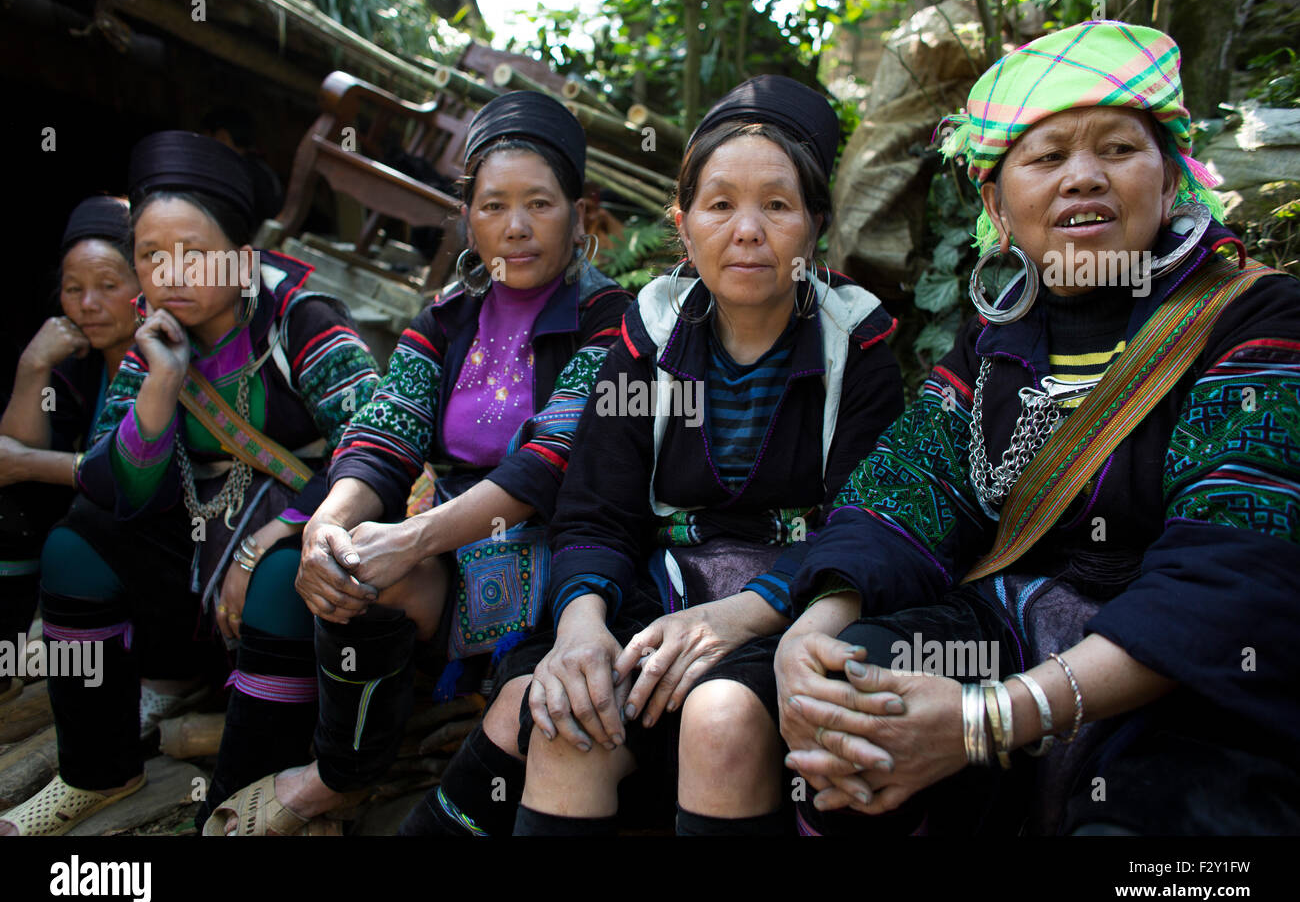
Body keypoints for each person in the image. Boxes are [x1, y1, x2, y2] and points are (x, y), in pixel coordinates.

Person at [764, 20, 1300, 835]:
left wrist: (988, 719)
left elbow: (1234, 574)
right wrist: (820, 618)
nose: (1083, 178)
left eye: (1118, 149)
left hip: (1185, 682)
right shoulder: (997, 336)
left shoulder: (1259, 318)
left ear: (1170, 179)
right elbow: (910, 487)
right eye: (1047, 159)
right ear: (997, 205)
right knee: (856, 696)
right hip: (1017, 630)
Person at [400, 75, 907, 837]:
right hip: (659, 594)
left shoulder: (857, 343)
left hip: (794, 601)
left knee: (721, 717)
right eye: (719, 204)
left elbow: (864, 523)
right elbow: (596, 507)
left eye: (777, 205)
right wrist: (580, 625)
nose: (747, 230)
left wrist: (743, 615)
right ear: (683, 223)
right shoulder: (651, 333)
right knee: (566, 708)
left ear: (815, 229)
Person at [204, 91, 634, 835]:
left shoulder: (610, 320)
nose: (518, 227)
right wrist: (329, 526)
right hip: (448, 542)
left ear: (579, 214)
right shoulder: (447, 313)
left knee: (388, 565)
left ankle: (354, 772)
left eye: (540, 203)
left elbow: (548, 462)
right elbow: (384, 434)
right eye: (495, 205)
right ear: (468, 216)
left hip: (565, 558)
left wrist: (410, 538)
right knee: (326, 568)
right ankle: (303, 774)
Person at [0, 131, 381, 836]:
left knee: (279, 574)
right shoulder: (154, 334)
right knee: (75, 544)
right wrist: (161, 387)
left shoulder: (303, 321)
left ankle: (236, 797)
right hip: (193, 562)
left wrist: (266, 539)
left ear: (242, 259)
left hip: (298, 540)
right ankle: (98, 771)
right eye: (149, 255)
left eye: (193, 254)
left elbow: (377, 444)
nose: (168, 272)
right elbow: (113, 490)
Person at [0, 196, 138, 705]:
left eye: (108, 286)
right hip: (91, 519)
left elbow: (130, 479)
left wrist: (27, 464)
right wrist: (33, 366)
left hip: (157, 549)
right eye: (73, 289)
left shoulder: (165, 358)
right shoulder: (77, 360)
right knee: (10, 506)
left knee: (75, 523)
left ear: (144, 287)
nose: (87, 305)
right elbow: (10, 455)